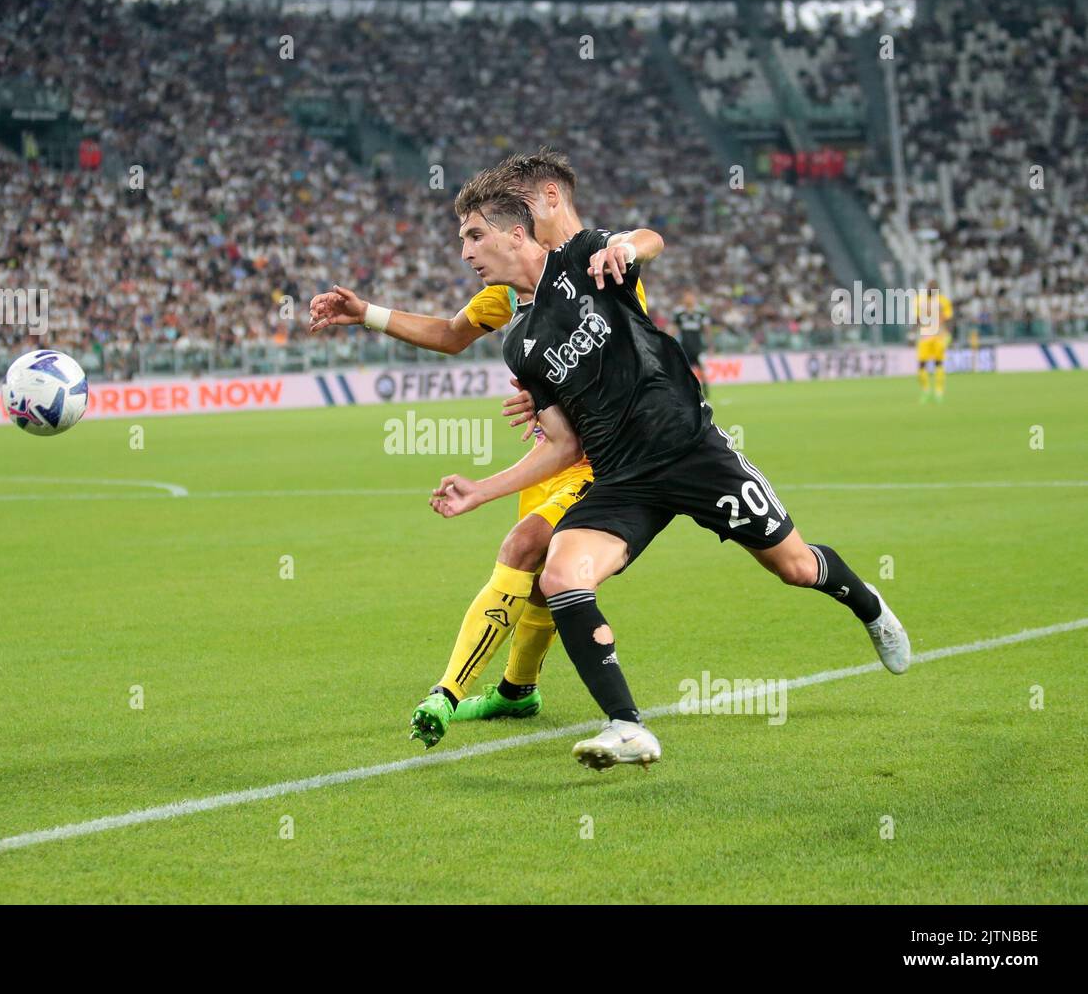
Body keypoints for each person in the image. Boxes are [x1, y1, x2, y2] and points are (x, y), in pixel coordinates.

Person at [431, 180, 911, 771]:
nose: (465, 253)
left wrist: (628, 250)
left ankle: (869, 606)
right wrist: (483, 489)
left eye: (474, 235)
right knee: (560, 574)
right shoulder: (520, 345)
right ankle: (627, 727)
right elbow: (562, 445)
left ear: (515, 232)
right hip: (622, 479)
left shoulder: (581, 258)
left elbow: (647, 238)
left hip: (692, 453)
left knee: (794, 567)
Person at [309, 149, 650, 748]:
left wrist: (564, 401)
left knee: (524, 548)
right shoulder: (506, 298)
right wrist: (367, 313)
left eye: (475, 234)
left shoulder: (594, 269)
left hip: (605, 454)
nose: (468, 251)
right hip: (554, 452)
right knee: (541, 573)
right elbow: (448, 335)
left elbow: (630, 345)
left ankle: (447, 692)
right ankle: (519, 692)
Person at [914, 279, 953, 402]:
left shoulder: (942, 301)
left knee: (938, 363)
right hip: (926, 336)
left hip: (938, 336)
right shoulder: (921, 300)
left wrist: (948, 334)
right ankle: (927, 390)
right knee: (922, 364)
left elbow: (948, 319)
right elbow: (917, 319)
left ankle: (938, 391)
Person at [669, 288, 712, 396]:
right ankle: (685, 390)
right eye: (686, 297)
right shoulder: (679, 312)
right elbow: (674, 328)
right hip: (684, 346)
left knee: (702, 369)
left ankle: (706, 391)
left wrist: (710, 345)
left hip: (698, 346)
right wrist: (669, 341)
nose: (688, 299)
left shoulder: (701, 312)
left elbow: (707, 330)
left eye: (690, 297)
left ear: (694, 298)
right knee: (684, 370)